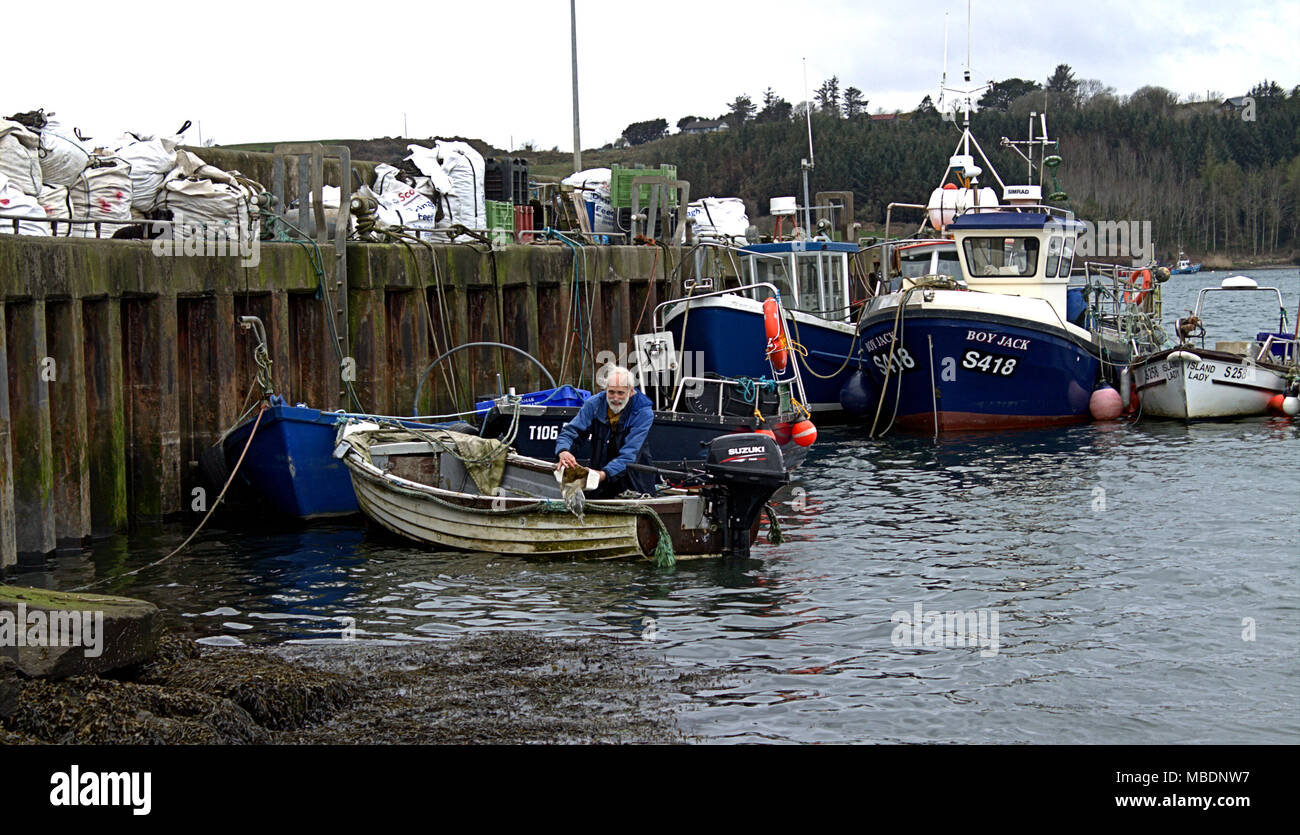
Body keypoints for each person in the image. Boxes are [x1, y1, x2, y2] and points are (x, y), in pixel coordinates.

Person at [555, 365, 656, 499]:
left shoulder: (643, 412)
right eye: (611, 392)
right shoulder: (594, 404)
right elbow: (571, 432)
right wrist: (563, 451)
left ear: (631, 392)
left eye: (621, 393)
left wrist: (603, 474)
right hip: (599, 480)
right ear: (605, 389)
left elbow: (629, 454)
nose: (615, 398)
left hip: (635, 482)